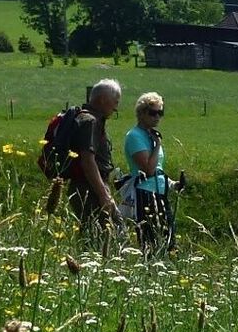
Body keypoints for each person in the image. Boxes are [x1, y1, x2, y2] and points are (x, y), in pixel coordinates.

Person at [63, 78, 122, 235]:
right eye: (115, 101)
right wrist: (103, 194)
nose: (116, 107)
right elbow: (88, 161)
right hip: (88, 188)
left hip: (90, 186)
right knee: (101, 237)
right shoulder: (90, 121)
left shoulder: (88, 119)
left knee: (110, 232)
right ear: (103, 100)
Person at [123, 91, 174, 254]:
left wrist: (173, 184)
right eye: (153, 113)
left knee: (168, 239)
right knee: (150, 240)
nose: (157, 117)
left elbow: (158, 169)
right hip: (144, 192)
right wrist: (157, 145)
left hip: (161, 191)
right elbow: (148, 169)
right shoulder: (135, 136)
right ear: (141, 113)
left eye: (160, 113)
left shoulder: (151, 135)